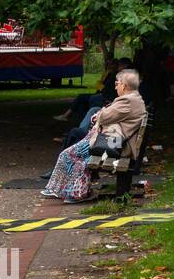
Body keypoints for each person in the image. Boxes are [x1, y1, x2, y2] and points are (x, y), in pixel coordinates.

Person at [42, 69, 146, 203]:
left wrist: (100, 114)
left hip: (113, 144)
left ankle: (70, 192)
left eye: (117, 83)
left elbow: (103, 116)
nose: (115, 86)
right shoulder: (134, 99)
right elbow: (108, 115)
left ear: (124, 85)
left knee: (68, 156)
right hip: (114, 141)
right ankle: (64, 189)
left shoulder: (127, 101)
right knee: (71, 155)